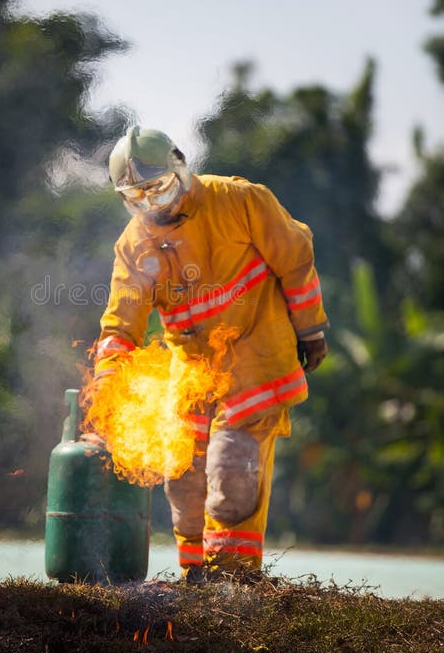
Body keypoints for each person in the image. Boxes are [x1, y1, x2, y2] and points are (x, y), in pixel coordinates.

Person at [93, 125, 329, 580]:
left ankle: (233, 581)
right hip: (192, 371)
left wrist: (311, 328)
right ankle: (197, 581)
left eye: (157, 189)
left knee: (232, 470)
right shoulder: (133, 245)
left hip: (256, 357)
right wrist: (106, 384)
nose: (150, 205)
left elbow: (295, 256)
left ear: (180, 170)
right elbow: (120, 323)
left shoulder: (239, 200)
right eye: (136, 197)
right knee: (182, 482)